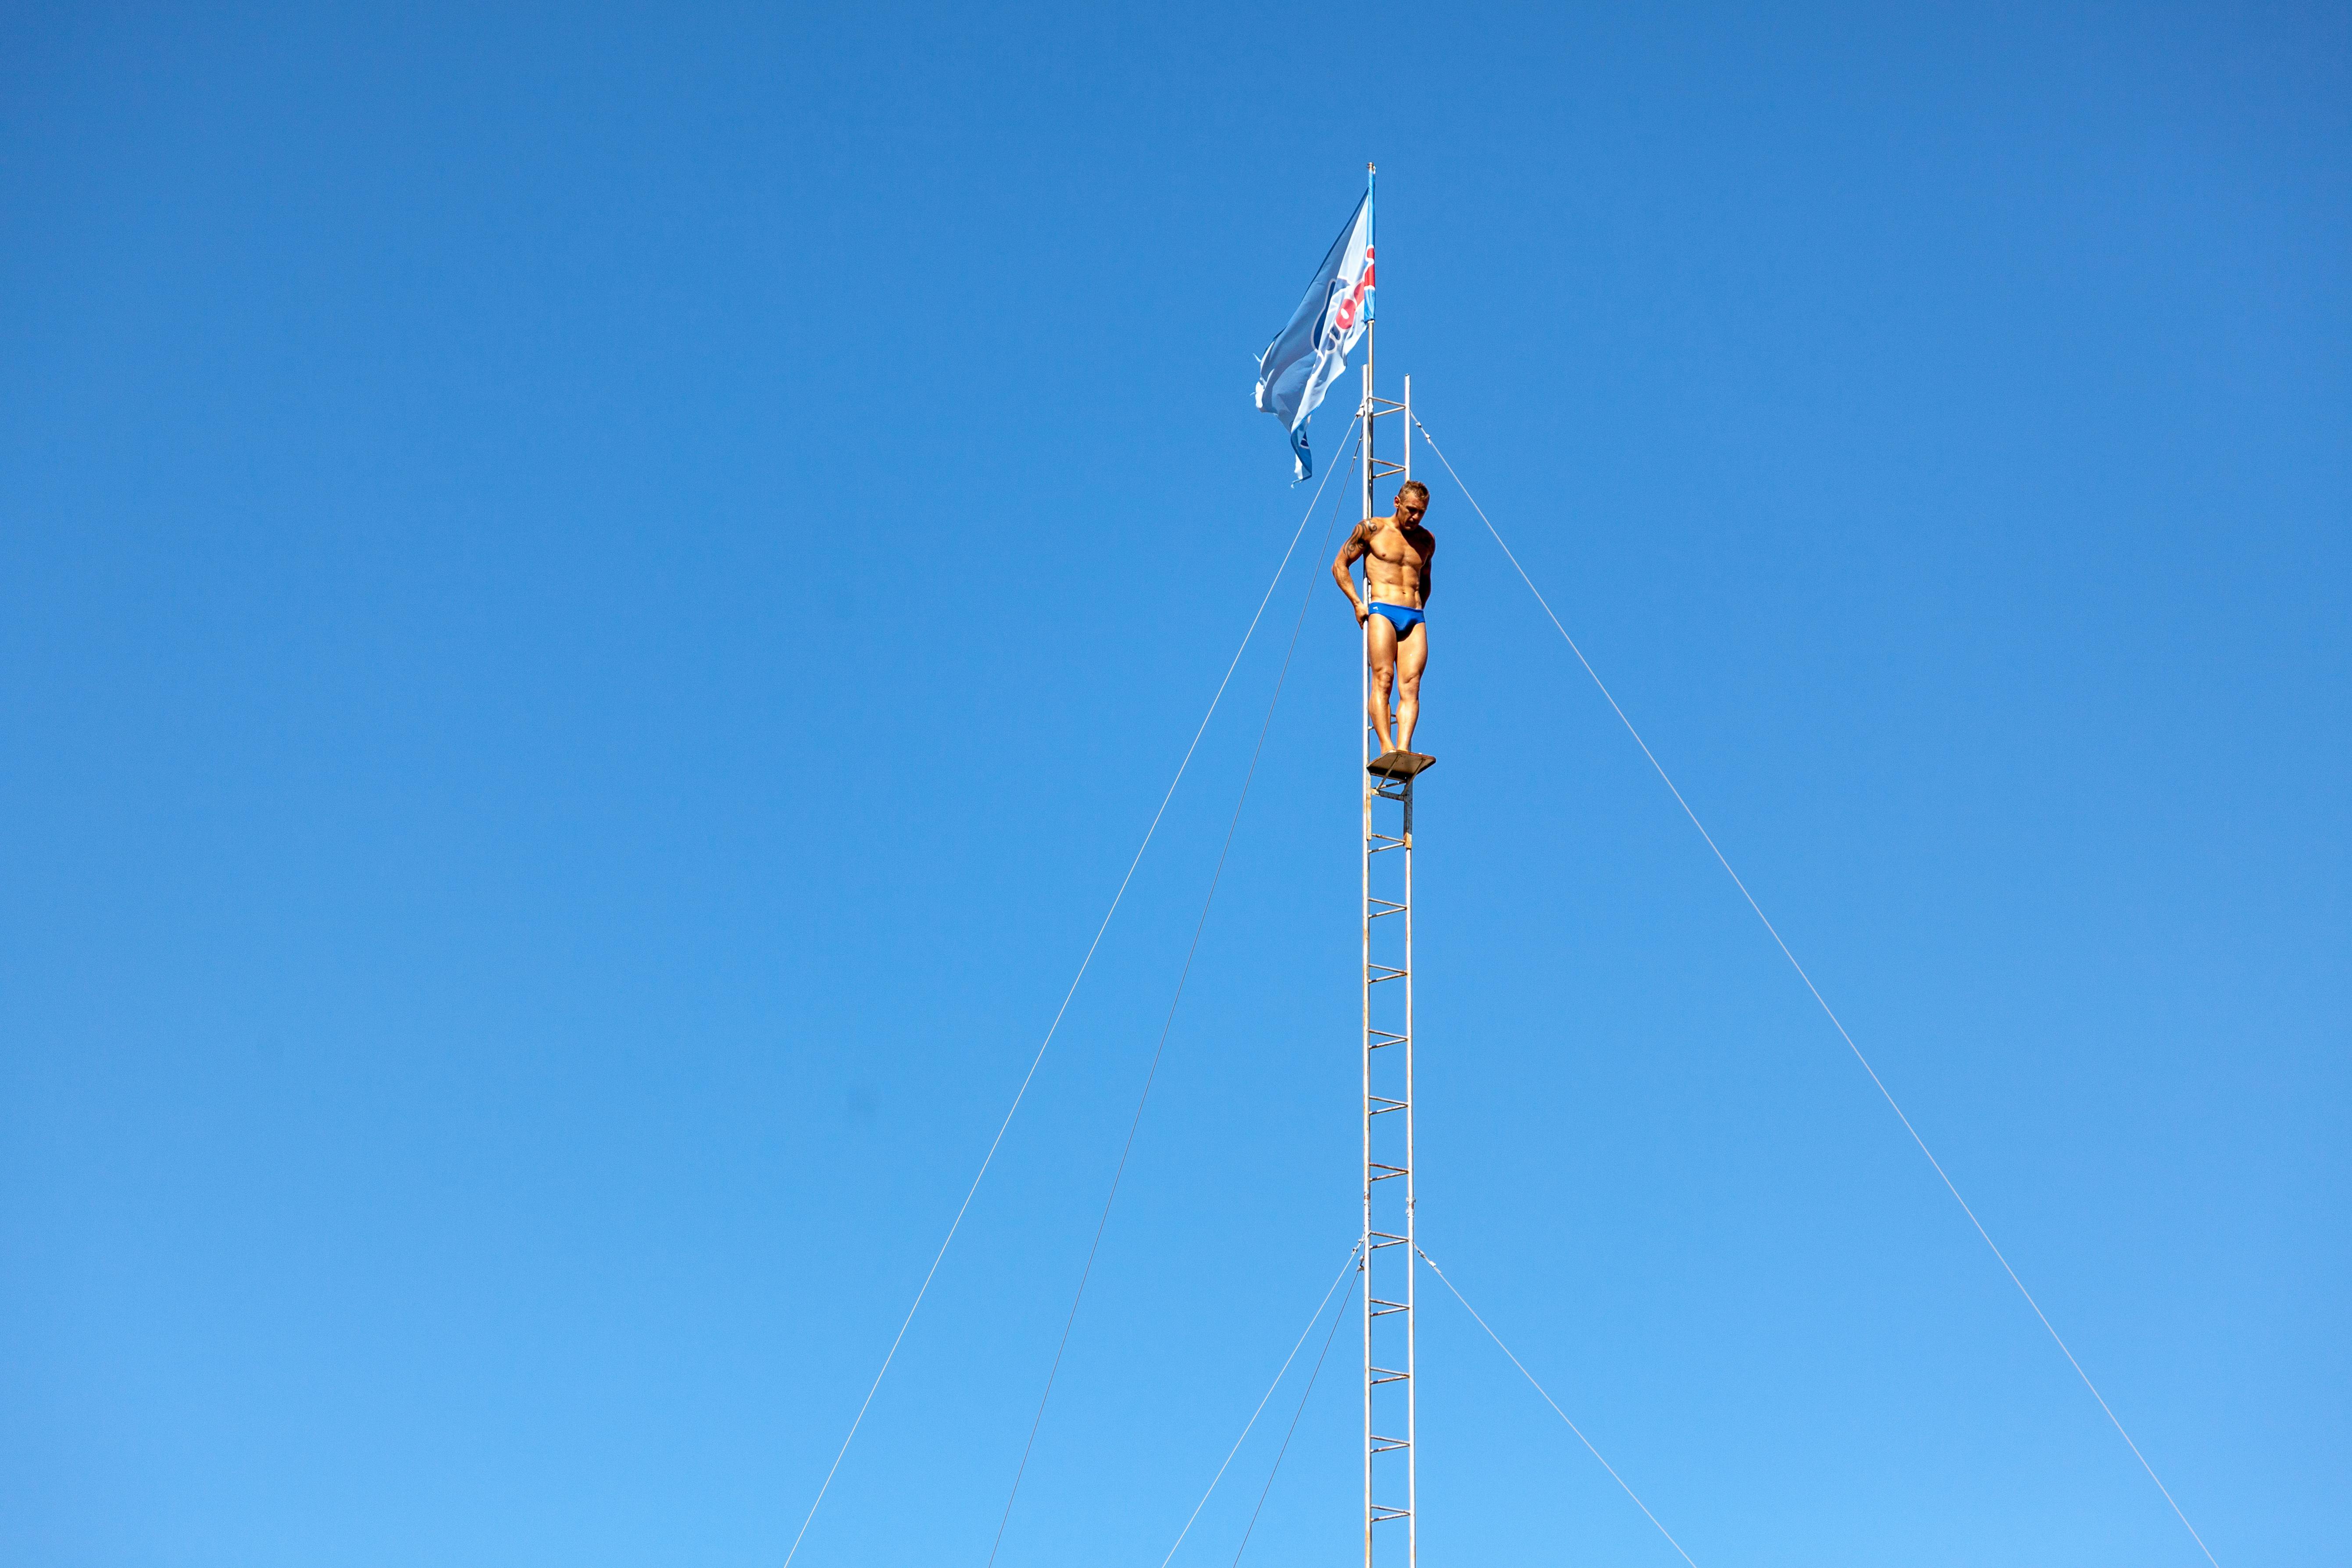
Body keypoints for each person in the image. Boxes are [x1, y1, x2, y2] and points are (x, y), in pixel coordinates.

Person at [1332, 479, 1436, 767]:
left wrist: (1418, 607)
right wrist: (1357, 603)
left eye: (1421, 512)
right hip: (1382, 609)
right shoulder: (1372, 529)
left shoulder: (1426, 541)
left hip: (1414, 615)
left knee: (1412, 685)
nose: (1415, 517)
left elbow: (1425, 581)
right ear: (1397, 502)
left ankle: (1403, 748)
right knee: (1383, 678)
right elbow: (1339, 564)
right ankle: (1387, 746)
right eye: (1412, 510)